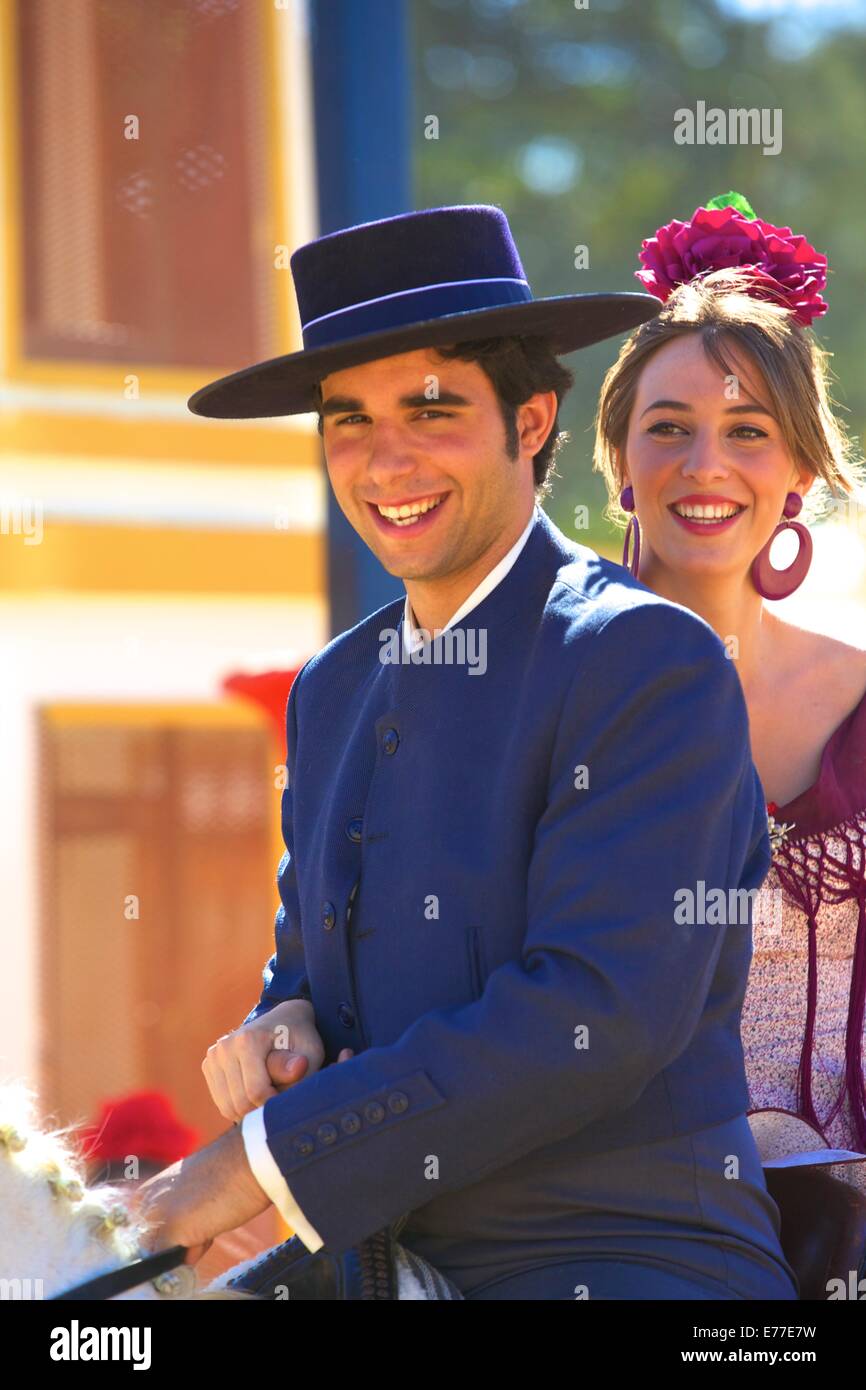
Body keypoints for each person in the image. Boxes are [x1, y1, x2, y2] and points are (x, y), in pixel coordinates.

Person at [134, 203, 798, 1300]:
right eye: (347, 421)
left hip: (622, 1257)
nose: (382, 458)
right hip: (366, 1263)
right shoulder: (334, 686)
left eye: (431, 407)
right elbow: (305, 968)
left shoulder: (646, 659)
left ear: (529, 419)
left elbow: (594, 1009)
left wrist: (241, 1170)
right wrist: (277, 1027)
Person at [593, 193, 866, 1191]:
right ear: (621, 463)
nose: (704, 465)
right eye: (667, 428)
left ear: (796, 469)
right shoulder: (544, 696)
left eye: (746, 430)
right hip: (613, 1218)